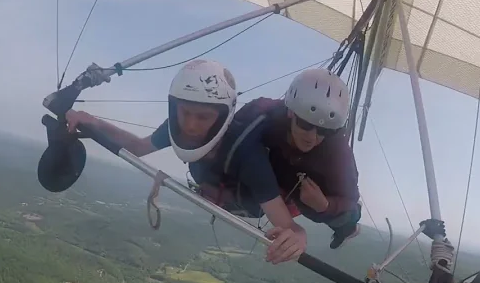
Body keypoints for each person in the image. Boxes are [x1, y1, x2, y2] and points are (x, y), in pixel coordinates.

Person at [63, 59, 307, 265]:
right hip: (213, 189)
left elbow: (289, 227)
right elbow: (137, 147)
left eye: (203, 117)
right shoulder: (175, 128)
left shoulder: (248, 156)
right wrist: (92, 121)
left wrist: (298, 238)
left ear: (223, 117)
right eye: (185, 112)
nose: (190, 125)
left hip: (246, 201)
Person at [201, 68, 362, 251]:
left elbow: (351, 201)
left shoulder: (337, 153)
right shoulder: (265, 114)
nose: (312, 137)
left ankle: (347, 230)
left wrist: (325, 205)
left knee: (332, 214)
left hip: (308, 192)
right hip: (281, 175)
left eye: (324, 131)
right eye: (306, 124)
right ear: (291, 112)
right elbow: (222, 134)